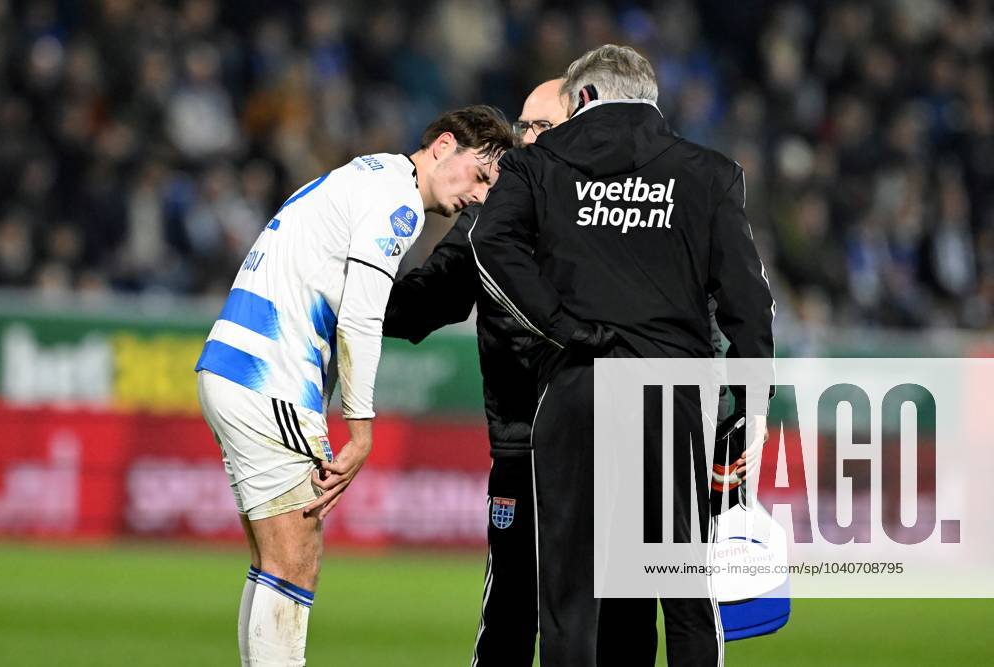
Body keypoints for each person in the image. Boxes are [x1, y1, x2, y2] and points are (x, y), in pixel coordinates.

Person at [470, 45, 775, 667]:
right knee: (685, 595)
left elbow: (491, 243)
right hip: (671, 398)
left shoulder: (539, 164)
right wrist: (753, 405)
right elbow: (748, 301)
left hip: (575, 388)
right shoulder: (710, 173)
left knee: (568, 599)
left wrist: (563, 328)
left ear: (583, 98)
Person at [194, 105, 514, 666]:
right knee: (295, 561)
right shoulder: (398, 203)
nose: (481, 195)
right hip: (272, 377)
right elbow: (361, 318)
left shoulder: (366, 174)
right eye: (480, 175)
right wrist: (361, 430)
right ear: (443, 146)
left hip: (232, 365)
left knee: (273, 560)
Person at [383, 78, 570, 667]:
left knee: (594, 624)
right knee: (511, 617)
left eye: (540, 126)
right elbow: (423, 302)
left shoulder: (621, 214)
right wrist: (350, 286)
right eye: (523, 127)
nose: (525, 139)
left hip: (601, 447)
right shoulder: (495, 216)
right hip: (523, 446)